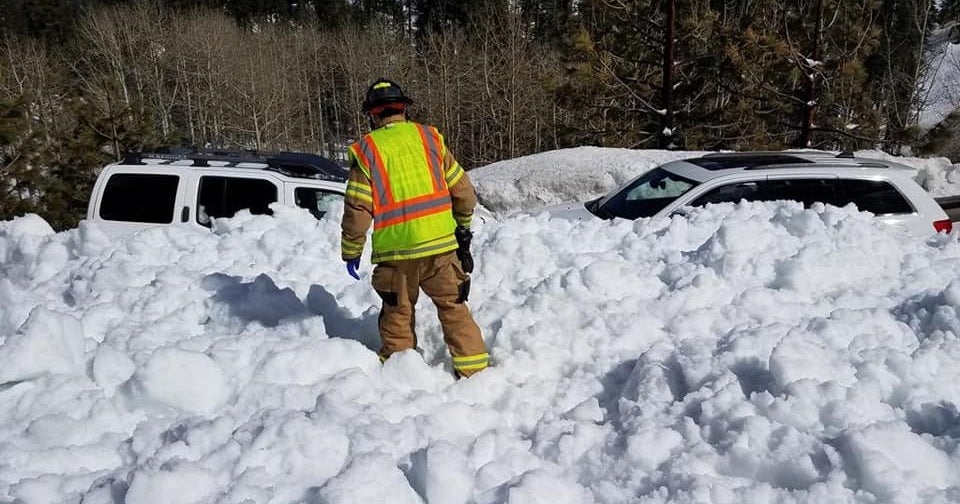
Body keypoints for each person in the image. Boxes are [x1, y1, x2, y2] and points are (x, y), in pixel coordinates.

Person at [340, 78, 488, 378]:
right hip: (442, 249)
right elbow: (463, 192)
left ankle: (403, 379)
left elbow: (358, 209)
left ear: (373, 114)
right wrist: (462, 228)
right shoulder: (430, 139)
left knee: (397, 315)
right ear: (404, 109)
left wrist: (351, 249)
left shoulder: (367, 151)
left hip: (397, 256)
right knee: (455, 309)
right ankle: (476, 375)